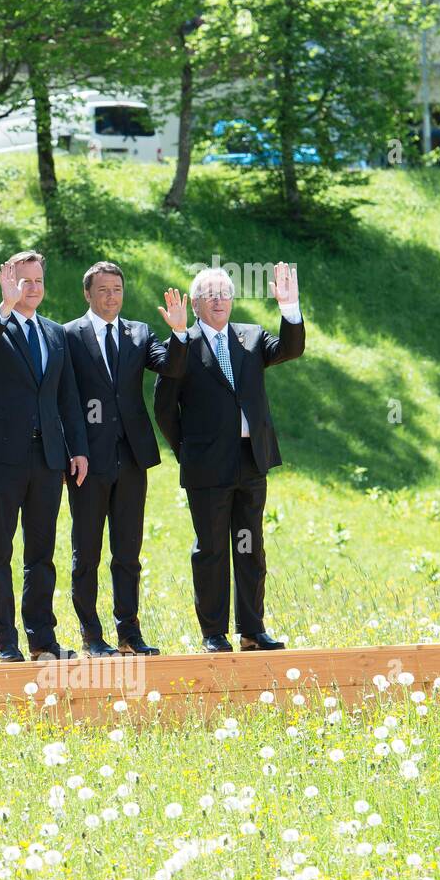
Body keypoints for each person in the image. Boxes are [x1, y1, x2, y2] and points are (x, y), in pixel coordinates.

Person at [154, 262, 304, 652]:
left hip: (250, 460)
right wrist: (185, 450)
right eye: (210, 295)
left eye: (225, 294)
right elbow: (165, 408)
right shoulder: (183, 344)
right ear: (197, 304)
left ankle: (252, 631)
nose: (219, 301)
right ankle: (213, 633)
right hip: (206, 465)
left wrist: (289, 308)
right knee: (212, 549)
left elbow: (291, 349)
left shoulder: (251, 337)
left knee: (249, 544)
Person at [62, 261, 189, 657]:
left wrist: (180, 333)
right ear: (88, 293)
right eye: (102, 289)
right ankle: (91, 634)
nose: (111, 296)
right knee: (87, 552)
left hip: (132, 457)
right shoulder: (69, 335)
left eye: (117, 289)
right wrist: (75, 449)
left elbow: (172, 365)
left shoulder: (139, 333)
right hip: (87, 462)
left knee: (128, 552)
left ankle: (128, 633)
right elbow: (65, 398)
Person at [0, 251, 88, 662]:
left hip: (48, 458)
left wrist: (78, 450)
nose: (32, 289)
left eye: (37, 281)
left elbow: (67, 397)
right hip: (1, 457)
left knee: (41, 554)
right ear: (9, 284)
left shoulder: (56, 333)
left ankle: (43, 641)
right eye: (24, 282)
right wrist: (3, 305)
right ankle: (6, 643)